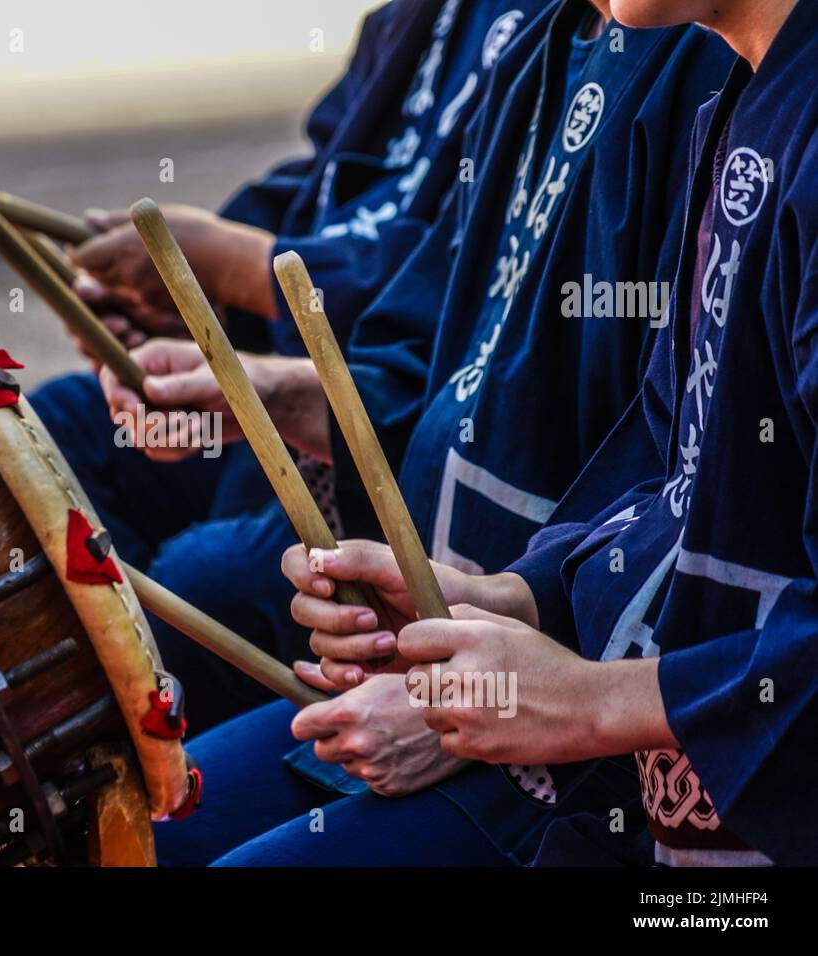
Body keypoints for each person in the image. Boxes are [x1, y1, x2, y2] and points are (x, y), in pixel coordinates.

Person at [153, 0, 735, 866]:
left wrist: (527, 674)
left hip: (613, 751)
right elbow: (443, 355)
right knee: (138, 822)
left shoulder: (718, 79)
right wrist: (279, 395)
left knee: (195, 593)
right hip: (470, 641)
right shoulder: (544, 45)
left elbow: (699, 506)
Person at [35, 0, 550, 730]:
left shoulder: (572, 32)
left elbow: (461, 279)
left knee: (198, 583)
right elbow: (325, 187)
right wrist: (181, 296)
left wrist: (240, 270)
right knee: (64, 426)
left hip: (412, 432)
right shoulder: (412, 17)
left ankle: (147, 752)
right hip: (324, 374)